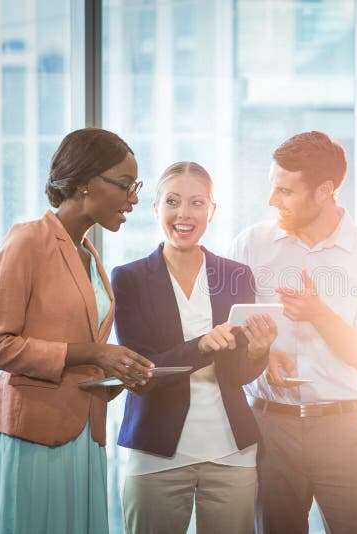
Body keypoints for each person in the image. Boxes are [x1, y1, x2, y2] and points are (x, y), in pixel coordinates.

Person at [0, 128, 156, 533]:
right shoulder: (28, 241)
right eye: (125, 185)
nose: (133, 199)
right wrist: (95, 354)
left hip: (84, 434)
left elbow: (80, 352)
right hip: (34, 435)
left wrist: (118, 375)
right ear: (85, 182)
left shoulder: (88, 253)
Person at [229, 131, 357, 534]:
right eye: (273, 187)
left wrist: (319, 314)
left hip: (343, 432)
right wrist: (261, 355)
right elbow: (226, 334)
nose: (272, 200)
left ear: (325, 191)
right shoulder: (250, 245)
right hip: (269, 429)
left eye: (285, 191)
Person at [112, 162, 276, 534]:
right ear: (156, 208)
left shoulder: (236, 275)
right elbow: (140, 373)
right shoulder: (129, 278)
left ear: (212, 211)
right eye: (172, 201)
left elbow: (239, 374)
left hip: (231, 450)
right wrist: (201, 346)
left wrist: (257, 352)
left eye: (197, 203)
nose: (184, 213)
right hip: (156, 451)